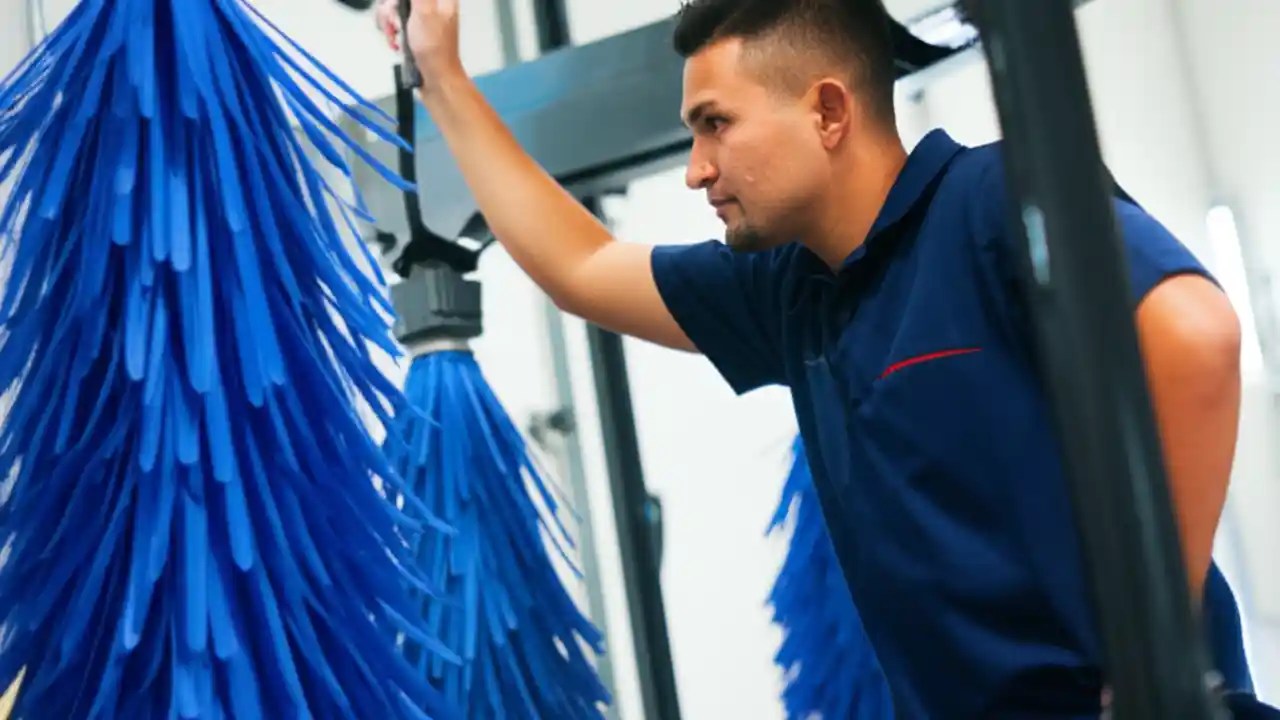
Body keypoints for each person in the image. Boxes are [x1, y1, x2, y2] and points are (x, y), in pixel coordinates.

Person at [379, 0, 1250, 716]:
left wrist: (1147, 663)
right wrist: (444, 77)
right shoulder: (788, 290)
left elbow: (1195, 334)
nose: (696, 170)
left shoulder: (986, 203)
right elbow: (584, 267)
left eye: (714, 126)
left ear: (829, 110)